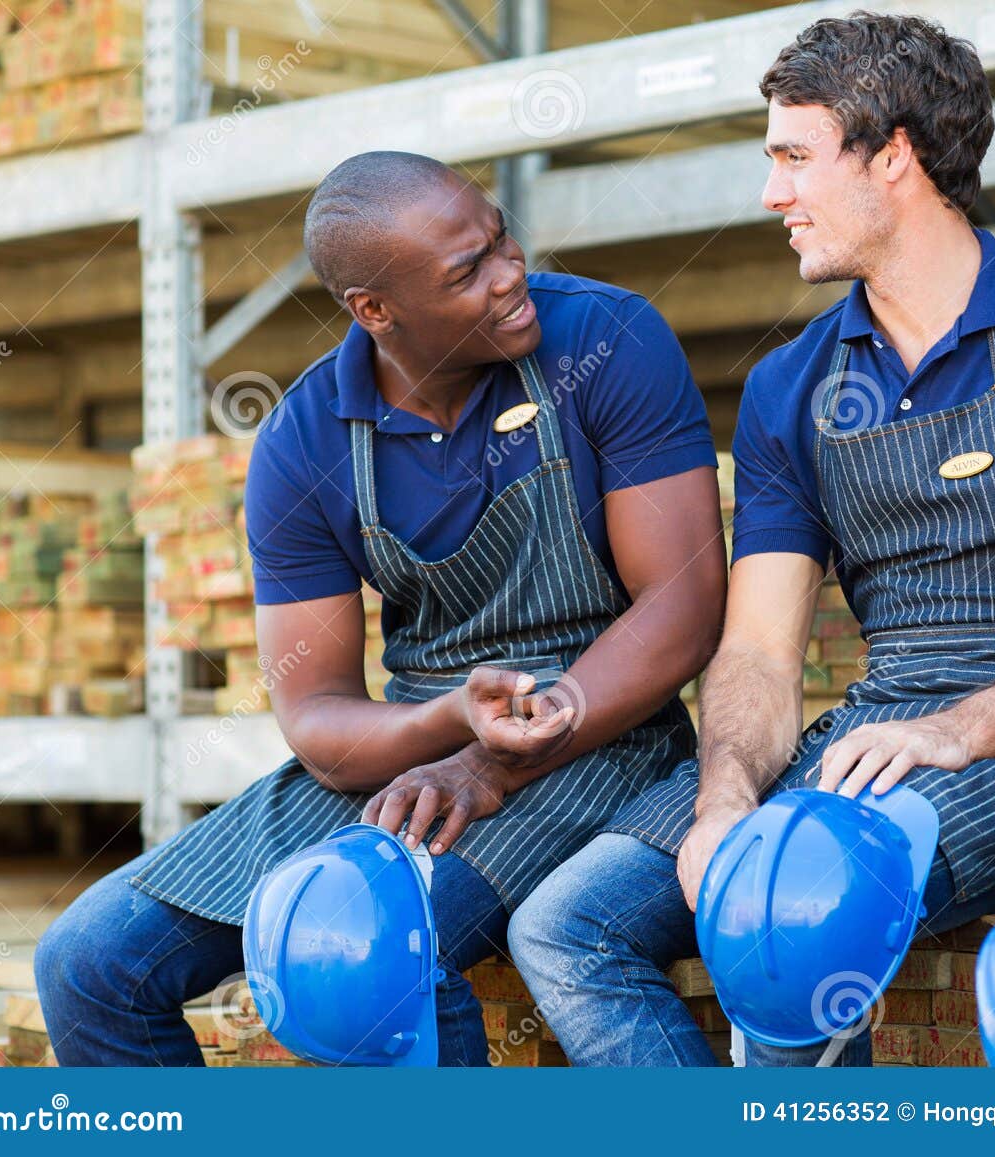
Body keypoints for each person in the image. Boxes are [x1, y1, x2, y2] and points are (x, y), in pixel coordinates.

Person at [508, 13, 995, 1067]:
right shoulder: (791, 387)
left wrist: (957, 727)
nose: (772, 196)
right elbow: (759, 648)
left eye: (794, 158)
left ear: (893, 156)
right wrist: (724, 799)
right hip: (867, 739)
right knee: (567, 923)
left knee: (798, 912)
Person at [35, 151, 727, 1066]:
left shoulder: (605, 340)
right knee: (87, 961)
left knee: (370, 950)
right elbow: (315, 714)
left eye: (501, 240)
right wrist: (448, 722)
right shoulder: (305, 438)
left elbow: (682, 609)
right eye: (466, 271)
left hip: (605, 726)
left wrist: (490, 758)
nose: (510, 274)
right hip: (417, 748)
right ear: (375, 309)